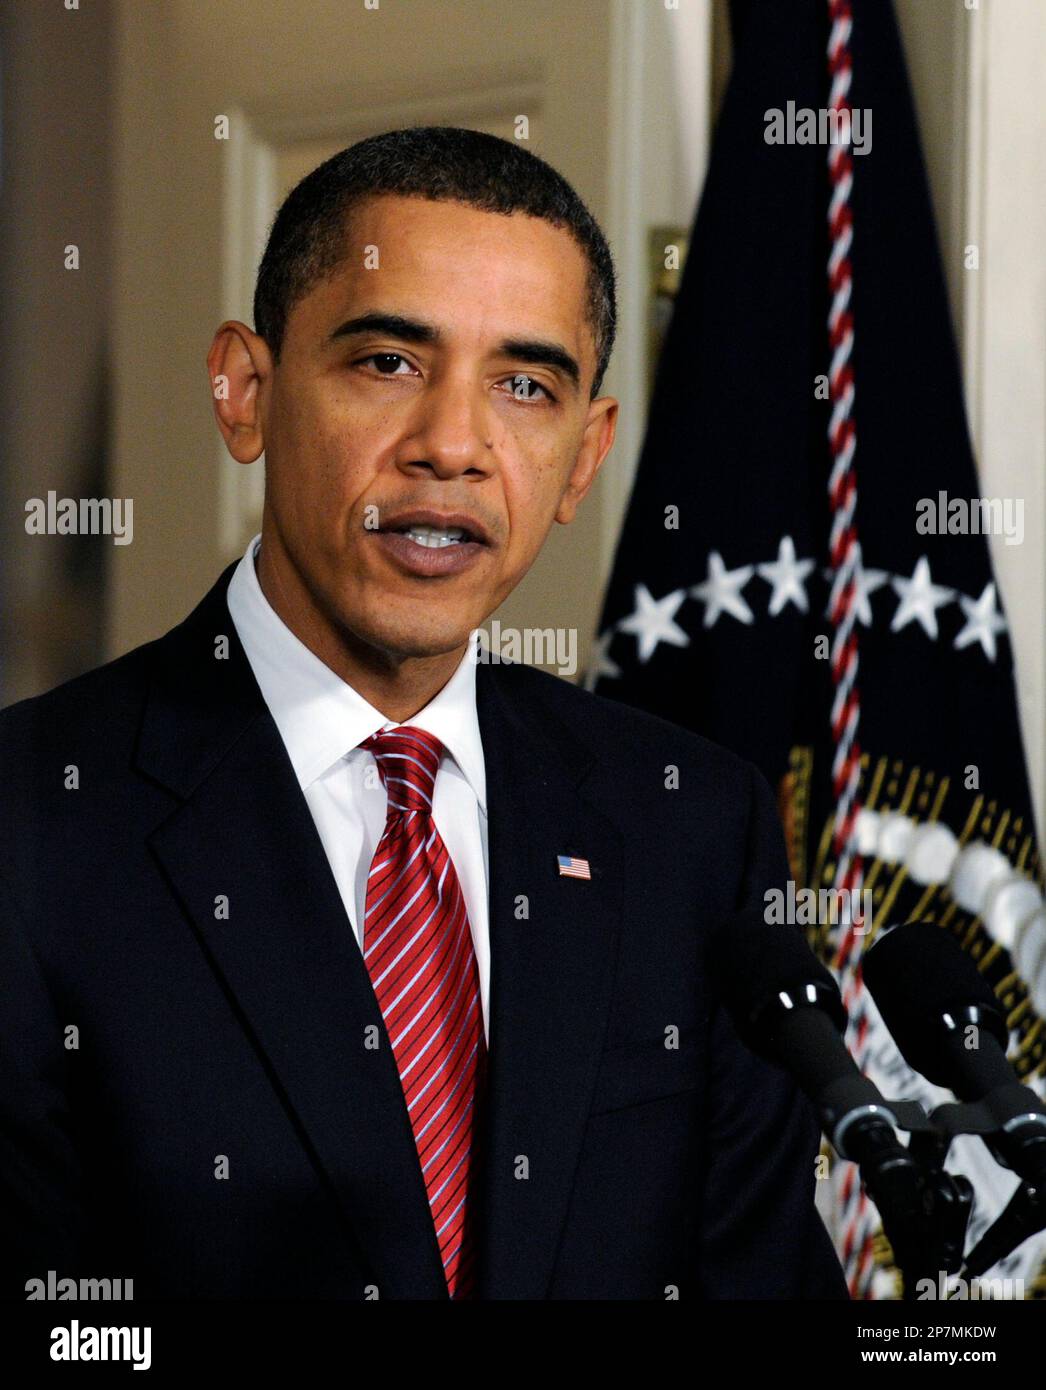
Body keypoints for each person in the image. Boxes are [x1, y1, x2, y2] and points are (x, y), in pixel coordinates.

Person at [0, 126, 847, 1300]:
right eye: (388, 362)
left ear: (584, 457)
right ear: (244, 393)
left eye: (523, 385)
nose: (452, 445)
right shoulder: (32, 821)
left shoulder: (691, 824)